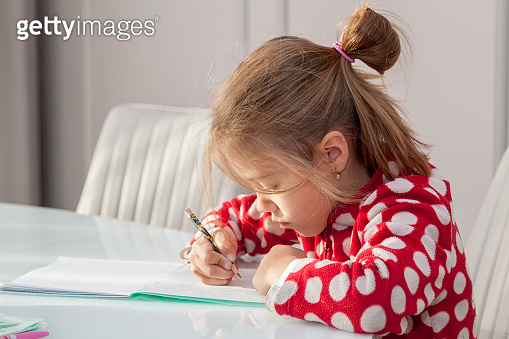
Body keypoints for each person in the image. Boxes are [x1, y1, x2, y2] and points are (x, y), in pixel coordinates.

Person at [184, 4, 477, 338]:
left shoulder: (411, 209)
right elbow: (234, 218)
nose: (261, 203)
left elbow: (372, 302)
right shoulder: (320, 198)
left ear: (331, 155)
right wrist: (212, 242)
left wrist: (284, 271)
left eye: (270, 185)